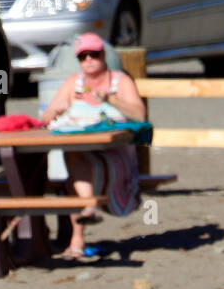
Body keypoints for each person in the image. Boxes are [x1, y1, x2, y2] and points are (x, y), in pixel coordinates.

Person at [38, 32, 146, 260]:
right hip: (82, 152)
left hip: (116, 156)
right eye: (83, 56)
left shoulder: (120, 82)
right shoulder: (73, 83)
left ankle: (79, 232)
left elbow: (140, 115)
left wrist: (110, 99)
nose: (88, 60)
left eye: (94, 55)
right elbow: (47, 115)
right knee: (72, 158)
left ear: (103, 55)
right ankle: (85, 216)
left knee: (73, 165)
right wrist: (55, 112)